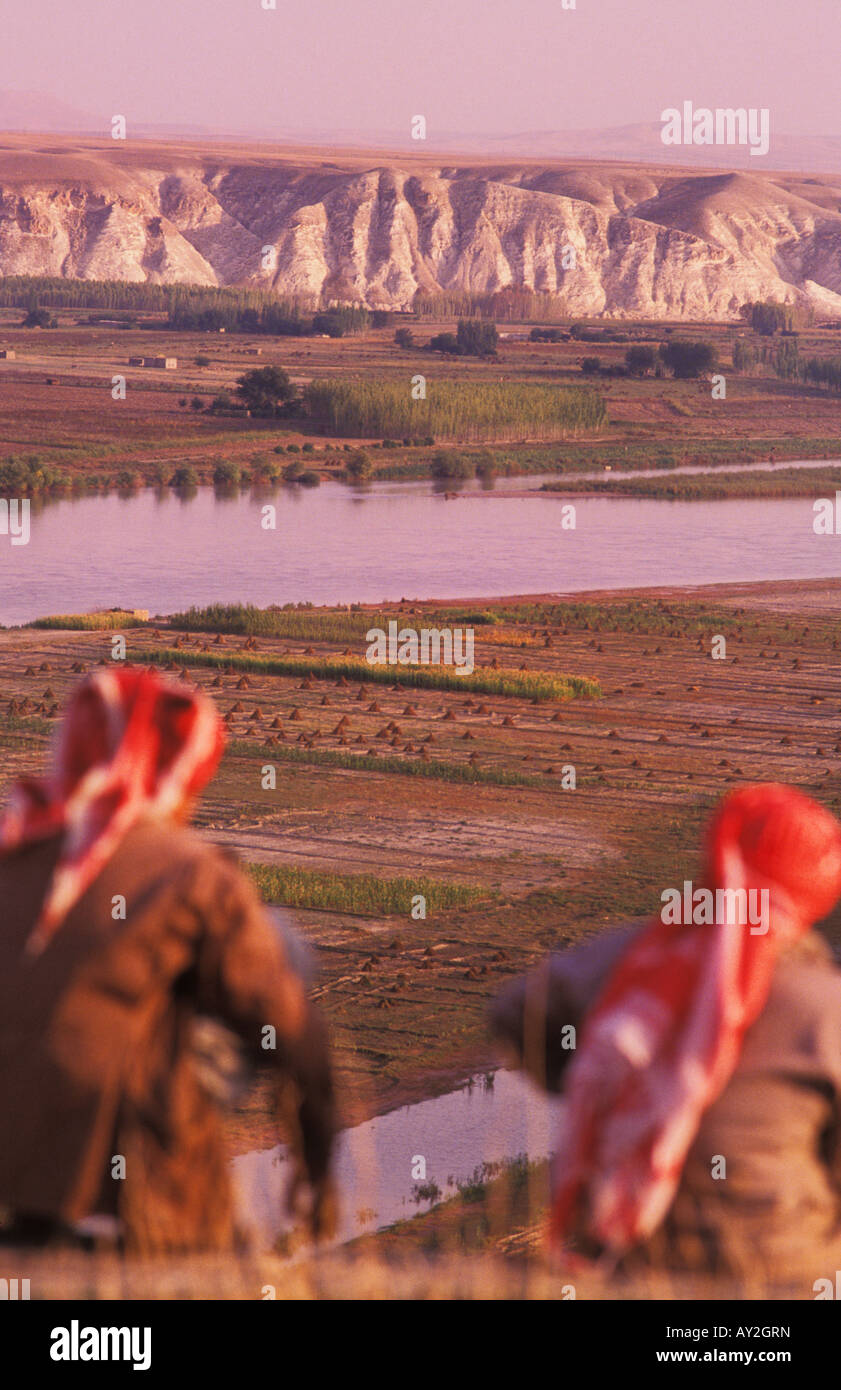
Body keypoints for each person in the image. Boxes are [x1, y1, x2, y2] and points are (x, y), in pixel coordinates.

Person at [0, 667, 336, 1254]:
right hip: (137, 1201)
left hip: (14, 1185)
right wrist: (319, 1171)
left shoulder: (14, 850)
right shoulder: (189, 872)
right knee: (279, 948)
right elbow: (294, 1036)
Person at [490, 783, 841, 1282]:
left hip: (633, 1260)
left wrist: (592, 1086)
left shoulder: (631, 960)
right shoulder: (827, 1007)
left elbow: (512, 1014)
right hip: (784, 1271)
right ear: (821, 887)